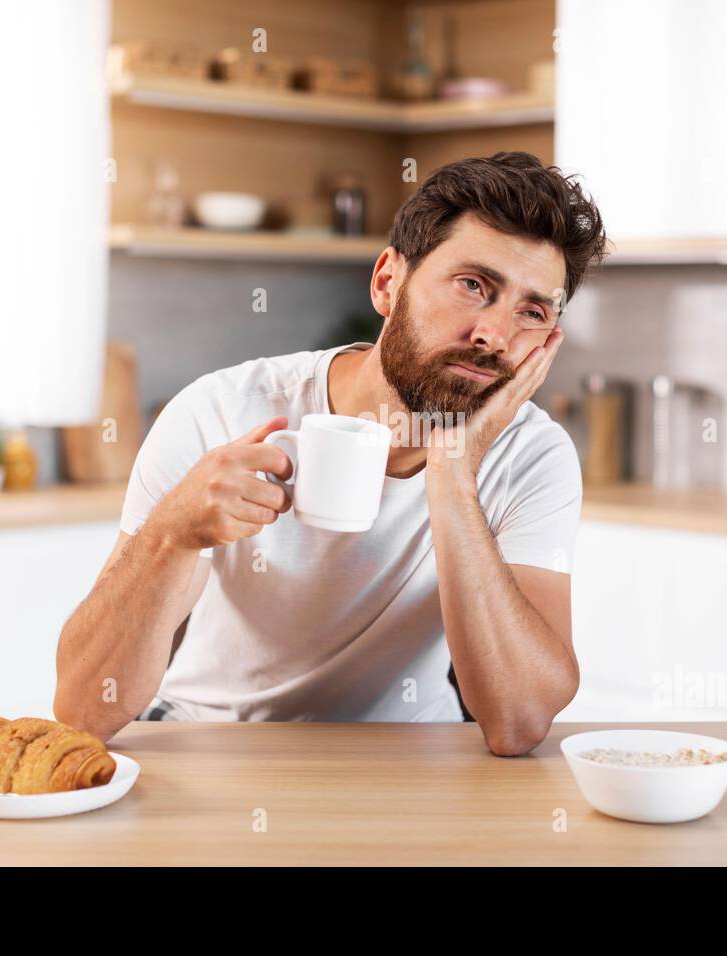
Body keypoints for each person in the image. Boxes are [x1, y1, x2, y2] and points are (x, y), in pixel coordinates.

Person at [54, 151, 607, 755]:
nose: (493, 336)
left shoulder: (533, 455)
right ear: (387, 282)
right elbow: (85, 712)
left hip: (411, 757)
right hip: (209, 742)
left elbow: (518, 723)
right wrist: (171, 535)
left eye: (532, 312)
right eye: (474, 286)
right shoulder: (218, 412)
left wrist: (454, 473)